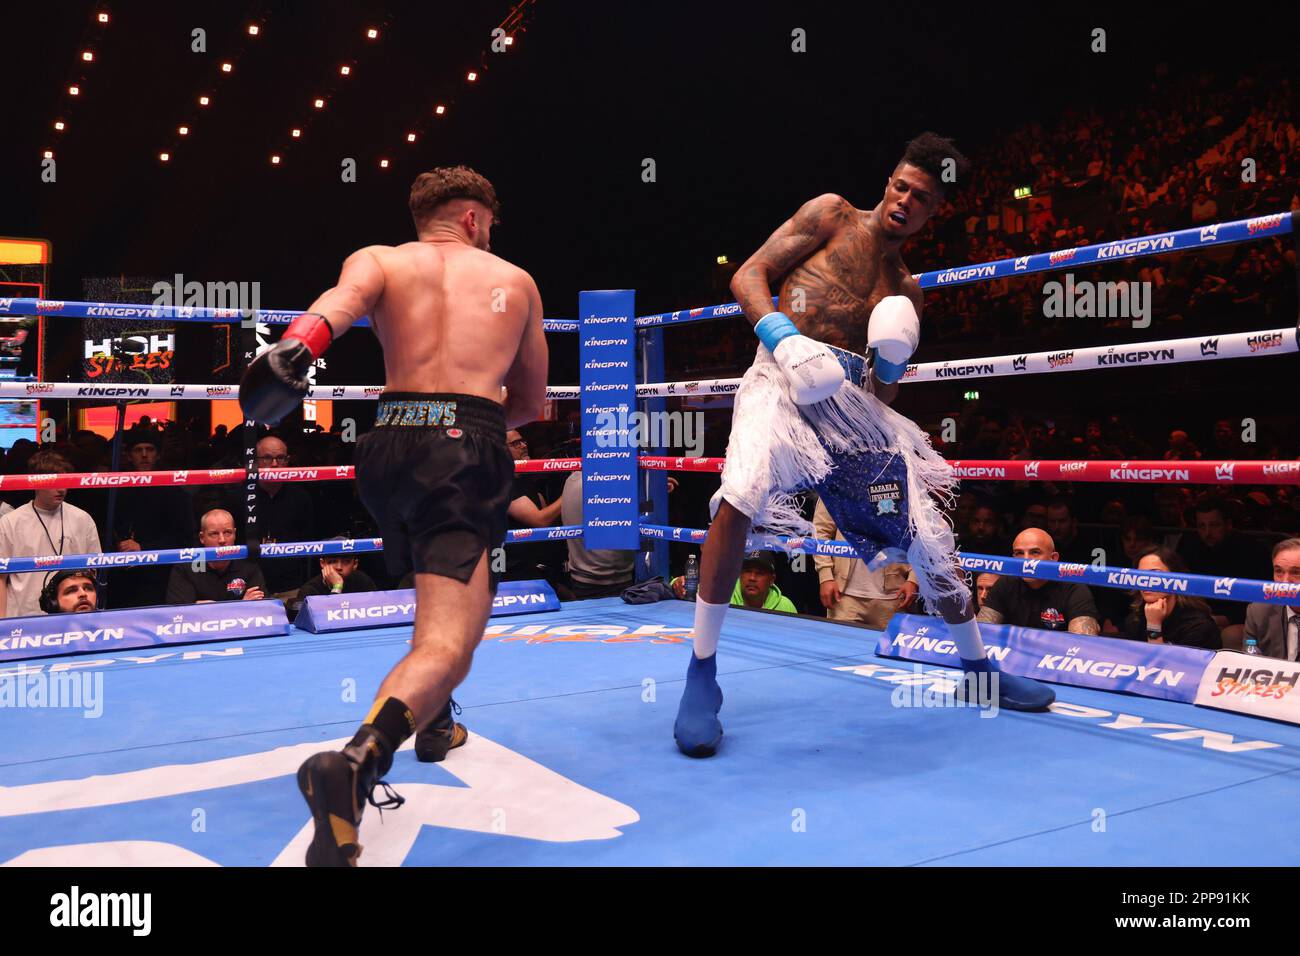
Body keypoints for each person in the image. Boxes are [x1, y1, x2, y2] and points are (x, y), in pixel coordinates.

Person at [673, 133, 1054, 759]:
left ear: (935, 212)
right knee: (738, 494)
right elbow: (749, 274)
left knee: (925, 535)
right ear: (890, 180)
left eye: (922, 198)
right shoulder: (831, 214)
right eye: (901, 186)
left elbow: (885, 395)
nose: (905, 200)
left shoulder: (908, 291)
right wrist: (784, 335)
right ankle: (702, 672)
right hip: (780, 373)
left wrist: (893, 364)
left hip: (853, 403)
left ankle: (979, 670)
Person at [240, 165, 547, 866]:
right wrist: (477, 402)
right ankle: (355, 764)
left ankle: (435, 725)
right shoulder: (517, 282)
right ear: (474, 219)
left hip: (385, 444)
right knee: (449, 640)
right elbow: (529, 404)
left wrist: (293, 349)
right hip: (462, 443)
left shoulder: (379, 259)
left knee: (435, 591)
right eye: (490, 224)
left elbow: (332, 312)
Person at [0, 450, 103, 618]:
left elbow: (93, 570)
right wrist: (2, 623)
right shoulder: (11, 522)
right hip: (23, 616)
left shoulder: (82, 519)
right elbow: (1, 578)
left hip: (73, 616)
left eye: (64, 482)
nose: (61, 489)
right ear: (35, 483)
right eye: (54, 482)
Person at [812, 496, 917, 628]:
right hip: (844, 596)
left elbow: (921, 532)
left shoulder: (903, 477)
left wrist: (914, 579)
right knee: (840, 647)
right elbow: (820, 531)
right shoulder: (836, 479)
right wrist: (825, 576)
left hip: (894, 595)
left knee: (888, 649)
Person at [977, 528, 1101, 635]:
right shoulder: (1005, 583)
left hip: (1056, 659)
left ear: (1053, 558)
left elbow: (1082, 645)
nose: (1026, 560)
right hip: (1012, 659)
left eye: (1035, 552)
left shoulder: (1074, 589)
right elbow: (982, 634)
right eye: (1019, 553)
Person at [1117, 546, 1219, 649]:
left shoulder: (1198, 626)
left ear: (1176, 578)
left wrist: (1154, 626)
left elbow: (1163, 664)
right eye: (1140, 575)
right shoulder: (1135, 620)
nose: (1146, 581)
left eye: (1155, 574)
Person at [165, 509, 269, 604]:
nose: (222, 540)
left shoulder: (248, 564)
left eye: (227, 532)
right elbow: (179, 613)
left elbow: (260, 608)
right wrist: (242, 604)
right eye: (214, 534)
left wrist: (210, 608)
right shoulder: (186, 567)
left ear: (235, 534)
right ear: (202, 537)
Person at [671, 551, 798, 613]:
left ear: (772, 580)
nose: (752, 578)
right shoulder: (722, 592)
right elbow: (685, 588)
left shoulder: (785, 606)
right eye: (747, 571)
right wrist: (677, 583)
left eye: (759, 573)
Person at [1242, 538, 1300, 660]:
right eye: (1279, 571)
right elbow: (1249, 661)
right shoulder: (1258, 612)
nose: (1285, 582)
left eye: (1296, 572)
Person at [295, 541, 379, 600]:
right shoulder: (309, 590)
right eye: (332, 561)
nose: (339, 567)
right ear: (322, 563)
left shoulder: (363, 581)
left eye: (346, 562)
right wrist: (337, 587)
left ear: (355, 564)